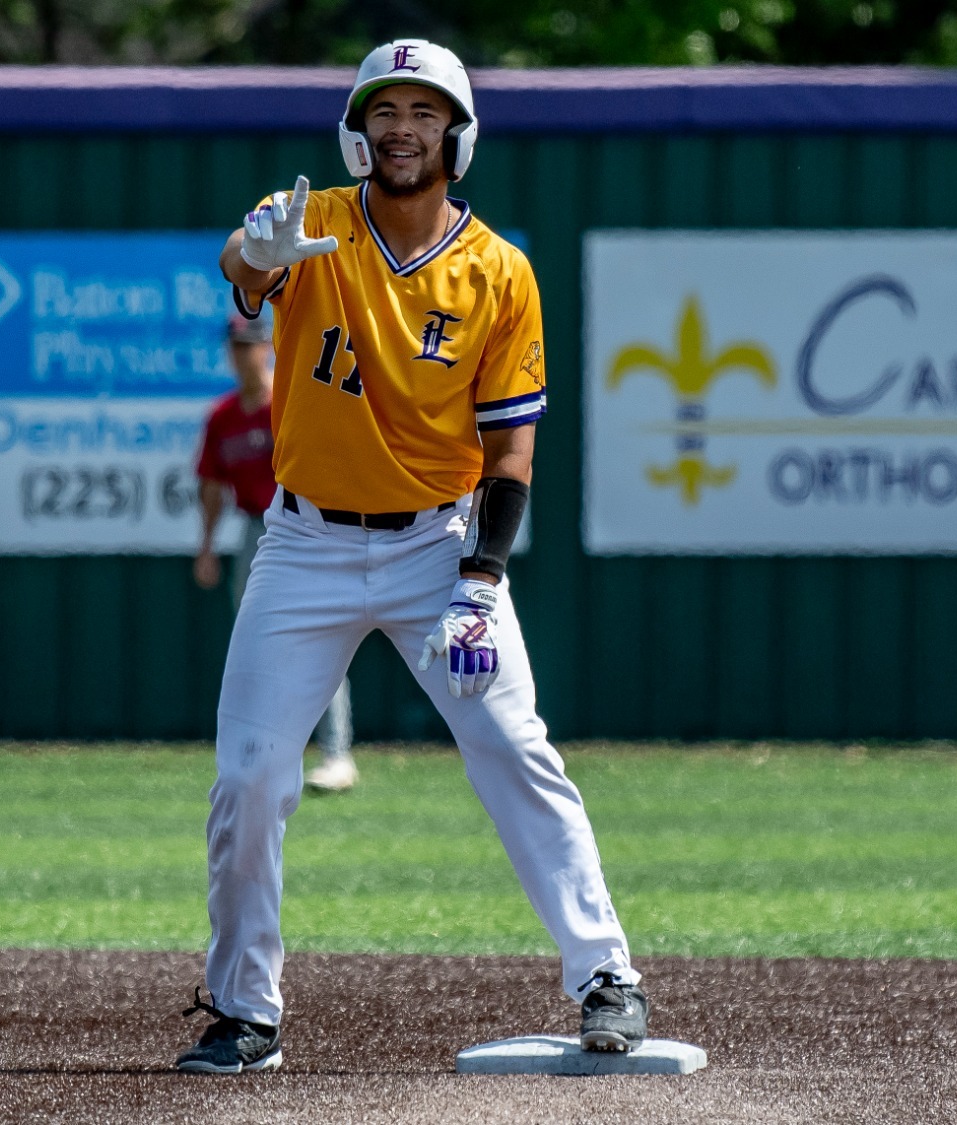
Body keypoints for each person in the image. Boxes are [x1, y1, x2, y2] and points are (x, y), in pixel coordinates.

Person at [174, 38, 647, 1076]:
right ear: (357, 127)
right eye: (384, 109)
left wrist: (483, 575)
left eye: (423, 112)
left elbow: (509, 442)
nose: (401, 128)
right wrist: (257, 256)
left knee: (513, 747)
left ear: (456, 133)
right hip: (302, 543)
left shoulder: (498, 270)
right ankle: (244, 1011)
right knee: (250, 777)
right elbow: (241, 274)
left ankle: (605, 976)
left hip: (437, 547)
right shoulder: (316, 221)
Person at [193, 311, 358, 794]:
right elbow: (211, 485)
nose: (245, 355)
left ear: (268, 347)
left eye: (252, 345)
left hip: (305, 526)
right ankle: (261, 753)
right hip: (252, 531)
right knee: (255, 645)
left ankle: (336, 754)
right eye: (237, 347)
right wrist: (205, 547)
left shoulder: (290, 401)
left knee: (321, 642)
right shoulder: (223, 417)